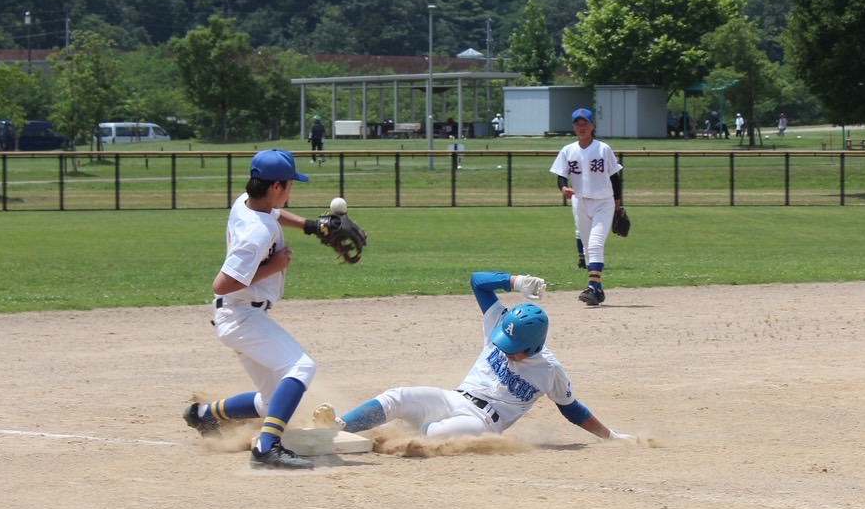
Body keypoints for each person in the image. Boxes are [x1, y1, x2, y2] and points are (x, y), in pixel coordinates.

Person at [313, 270, 632, 443]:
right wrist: (516, 282)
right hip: (454, 399)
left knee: (441, 435)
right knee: (398, 396)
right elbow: (478, 282)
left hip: (481, 422)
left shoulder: (549, 370)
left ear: (533, 348)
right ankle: (339, 427)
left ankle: (401, 436)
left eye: (511, 346)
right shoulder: (500, 322)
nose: (503, 347)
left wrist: (611, 436)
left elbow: (573, 410)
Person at [182, 149, 330, 470]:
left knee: (270, 402)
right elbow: (221, 283)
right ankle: (267, 448)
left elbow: (276, 214)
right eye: (290, 184)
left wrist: (311, 226)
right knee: (301, 368)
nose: (292, 190)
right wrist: (274, 266)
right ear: (275, 187)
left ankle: (203, 415)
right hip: (240, 315)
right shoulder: (256, 233)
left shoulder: (246, 202)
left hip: (240, 314)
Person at [549, 107, 623, 307]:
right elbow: (561, 175)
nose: (581, 127)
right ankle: (597, 290)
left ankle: (592, 287)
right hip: (580, 202)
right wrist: (563, 187)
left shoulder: (603, 149)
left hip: (603, 202)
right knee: (588, 245)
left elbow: (615, 177)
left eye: (585, 124)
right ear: (573, 127)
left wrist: (618, 204)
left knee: (595, 244)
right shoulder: (568, 150)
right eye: (577, 124)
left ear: (592, 126)